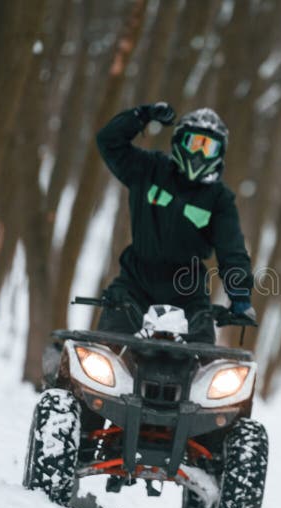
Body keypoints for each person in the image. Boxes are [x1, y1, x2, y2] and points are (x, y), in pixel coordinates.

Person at [96, 102, 256, 342]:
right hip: (134, 284)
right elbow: (109, 142)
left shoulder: (220, 200)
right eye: (194, 143)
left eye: (208, 147)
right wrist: (141, 116)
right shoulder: (149, 169)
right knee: (106, 349)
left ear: (219, 154)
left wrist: (240, 297)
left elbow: (232, 250)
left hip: (188, 294)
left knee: (204, 363)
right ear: (180, 141)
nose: (199, 153)